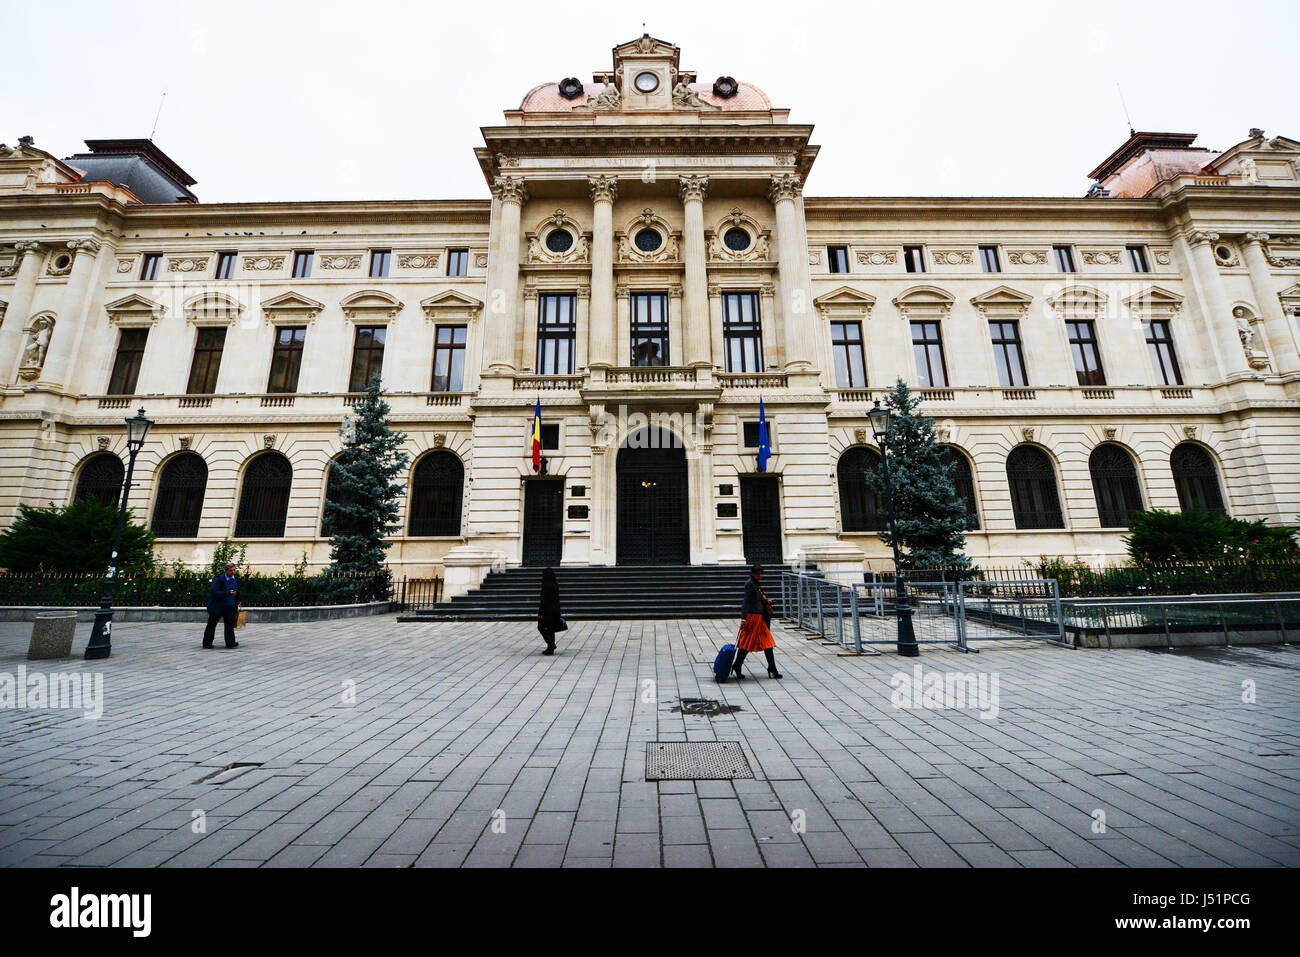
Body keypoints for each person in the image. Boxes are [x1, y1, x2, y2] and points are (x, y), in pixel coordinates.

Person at [734, 563, 781, 679]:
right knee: (746, 643)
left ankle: (772, 668)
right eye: (760, 573)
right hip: (753, 617)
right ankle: (737, 665)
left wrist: (766, 601)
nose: (762, 576)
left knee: (767, 642)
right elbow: (746, 601)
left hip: (760, 617)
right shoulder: (750, 584)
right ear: (755, 573)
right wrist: (743, 617)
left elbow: (758, 598)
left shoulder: (755, 583)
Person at [203, 562, 241, 649]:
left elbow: (239, 589)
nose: (233, 572)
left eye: (234, 570)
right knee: (211, 625)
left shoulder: (236, 577)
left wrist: (238, 600)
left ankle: (230, 643)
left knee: (229, 625)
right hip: (218, 606)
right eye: (231, 570)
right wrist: (228, 593)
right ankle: (207, 643)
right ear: (226, 571)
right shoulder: (219, 580)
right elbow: (215, 592)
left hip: (230, 605)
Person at [537, 566, 562, 655]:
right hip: (555, 610)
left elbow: (544, 600)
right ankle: (551, 646)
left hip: (547, 611)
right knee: (551, 629)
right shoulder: (555, 584)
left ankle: (550, 645)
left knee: (541, 627)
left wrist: (540, 612)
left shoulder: (546, 585)